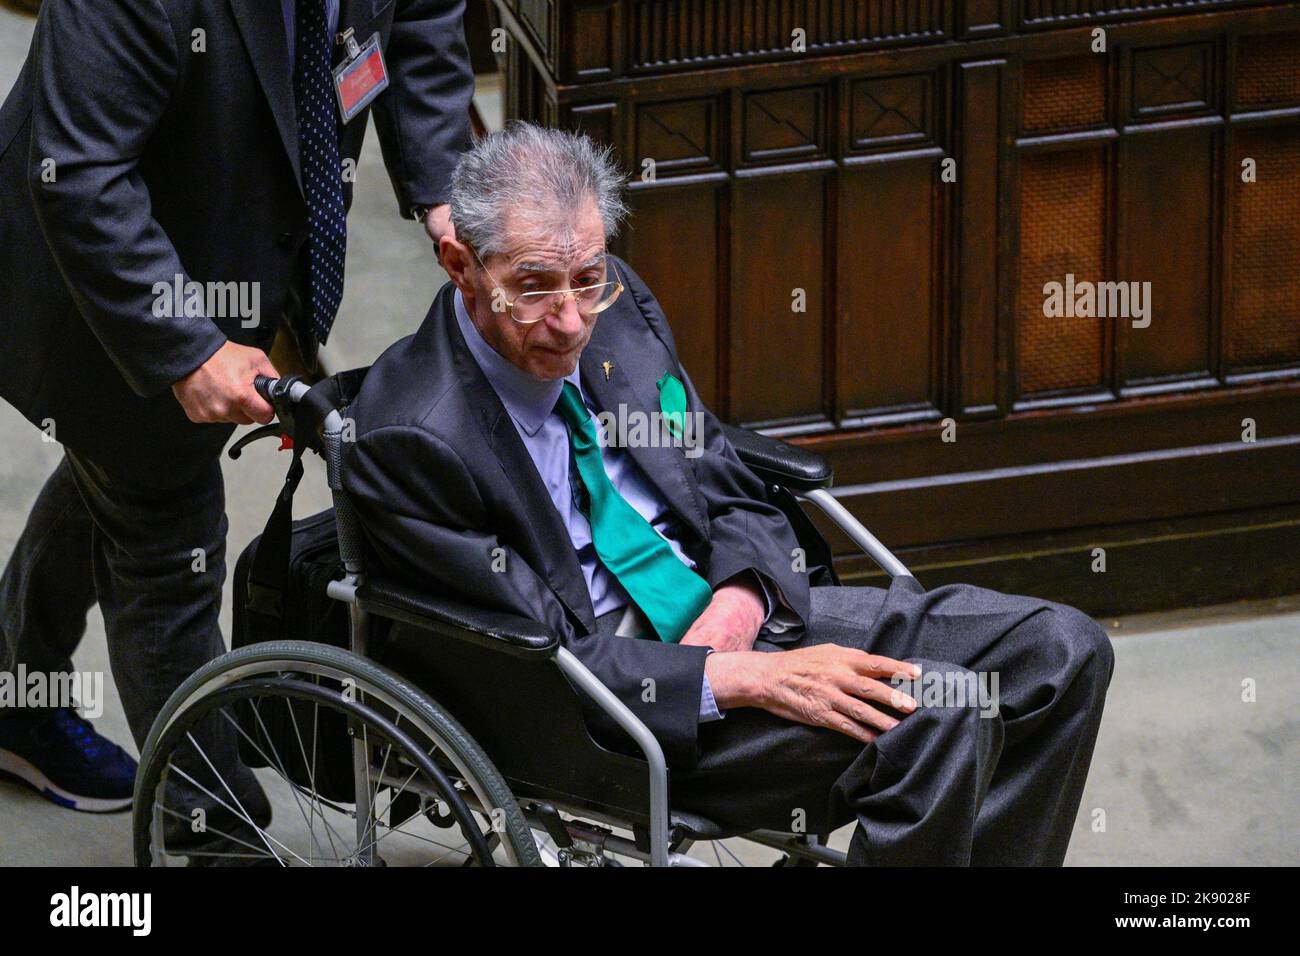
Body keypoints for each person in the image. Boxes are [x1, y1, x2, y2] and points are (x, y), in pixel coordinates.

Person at [340, 122, 1116, 866]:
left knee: (1063, 652)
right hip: (628, 702)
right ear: (459, 264)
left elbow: (717, 475)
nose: (571, 321)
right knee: (938, 717)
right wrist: (744, 677)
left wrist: (743, 600)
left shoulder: (616, 306)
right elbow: (543, 663)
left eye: (587, 280)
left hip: (731, 615)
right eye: (534, 289)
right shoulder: (415, 439)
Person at [0, 0, 474, 844]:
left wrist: (446, 194)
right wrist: (184, 345)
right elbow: (80, 175)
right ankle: (221, 834)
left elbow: (421, 18)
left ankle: (12, 692)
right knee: (162, 534)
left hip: (238, 238)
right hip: (100, 280)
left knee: (115, 476)